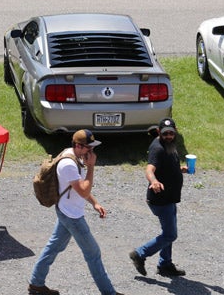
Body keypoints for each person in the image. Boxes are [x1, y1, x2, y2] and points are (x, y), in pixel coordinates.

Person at [29, 129, 122, 295]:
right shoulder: (69, 164)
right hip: (72, 216)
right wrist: (91, 167)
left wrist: (94, 203)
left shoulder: (73, 155)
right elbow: (83, 190)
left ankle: (36, 283)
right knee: (93, 253)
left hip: (66, 210)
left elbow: (79, 188)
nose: (91, 151)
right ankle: (109, 293)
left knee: (53, 248)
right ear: (78, 146)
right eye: (88, 148)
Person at [130, 118, 188, 279]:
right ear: (158, 132)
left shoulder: (169, 144)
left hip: (169, 198)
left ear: (175, 131)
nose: (169, 136)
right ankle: (140, 254)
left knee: (167, 232)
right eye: (165, 133)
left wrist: (179, 169)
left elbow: (167, 164)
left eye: (171, 133)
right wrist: (153, 181)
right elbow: (149, 169)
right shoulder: (158, 148)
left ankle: (165, 265)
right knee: (170, 235)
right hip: (161, 200)